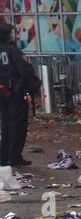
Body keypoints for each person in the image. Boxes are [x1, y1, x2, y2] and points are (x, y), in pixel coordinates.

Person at [0, 22, 38, 167]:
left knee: (5, 123)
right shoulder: (13, 51)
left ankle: (3, 156)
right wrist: (28, 86)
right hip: (15, 92)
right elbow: (26, 71)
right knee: (18, 125)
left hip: (2, 91)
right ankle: (14, 156)